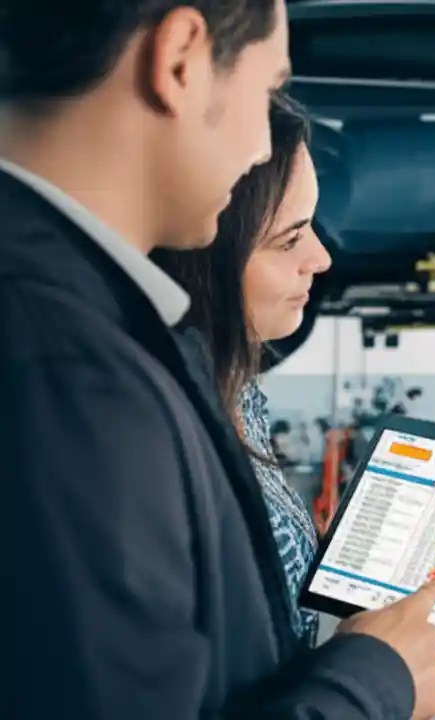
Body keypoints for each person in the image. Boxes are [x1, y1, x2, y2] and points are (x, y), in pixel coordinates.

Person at [0, 2, 435, 718]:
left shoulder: (101, 327)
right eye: (268, 88)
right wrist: (376, 679)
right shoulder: (71, 365)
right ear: (180, 61)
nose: (260, 147)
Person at [152, 92, 331, 647]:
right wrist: (376, 666)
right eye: (290, 239)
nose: (322, 258)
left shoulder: (240, 392)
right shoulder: (158, 432)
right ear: (208, 260)